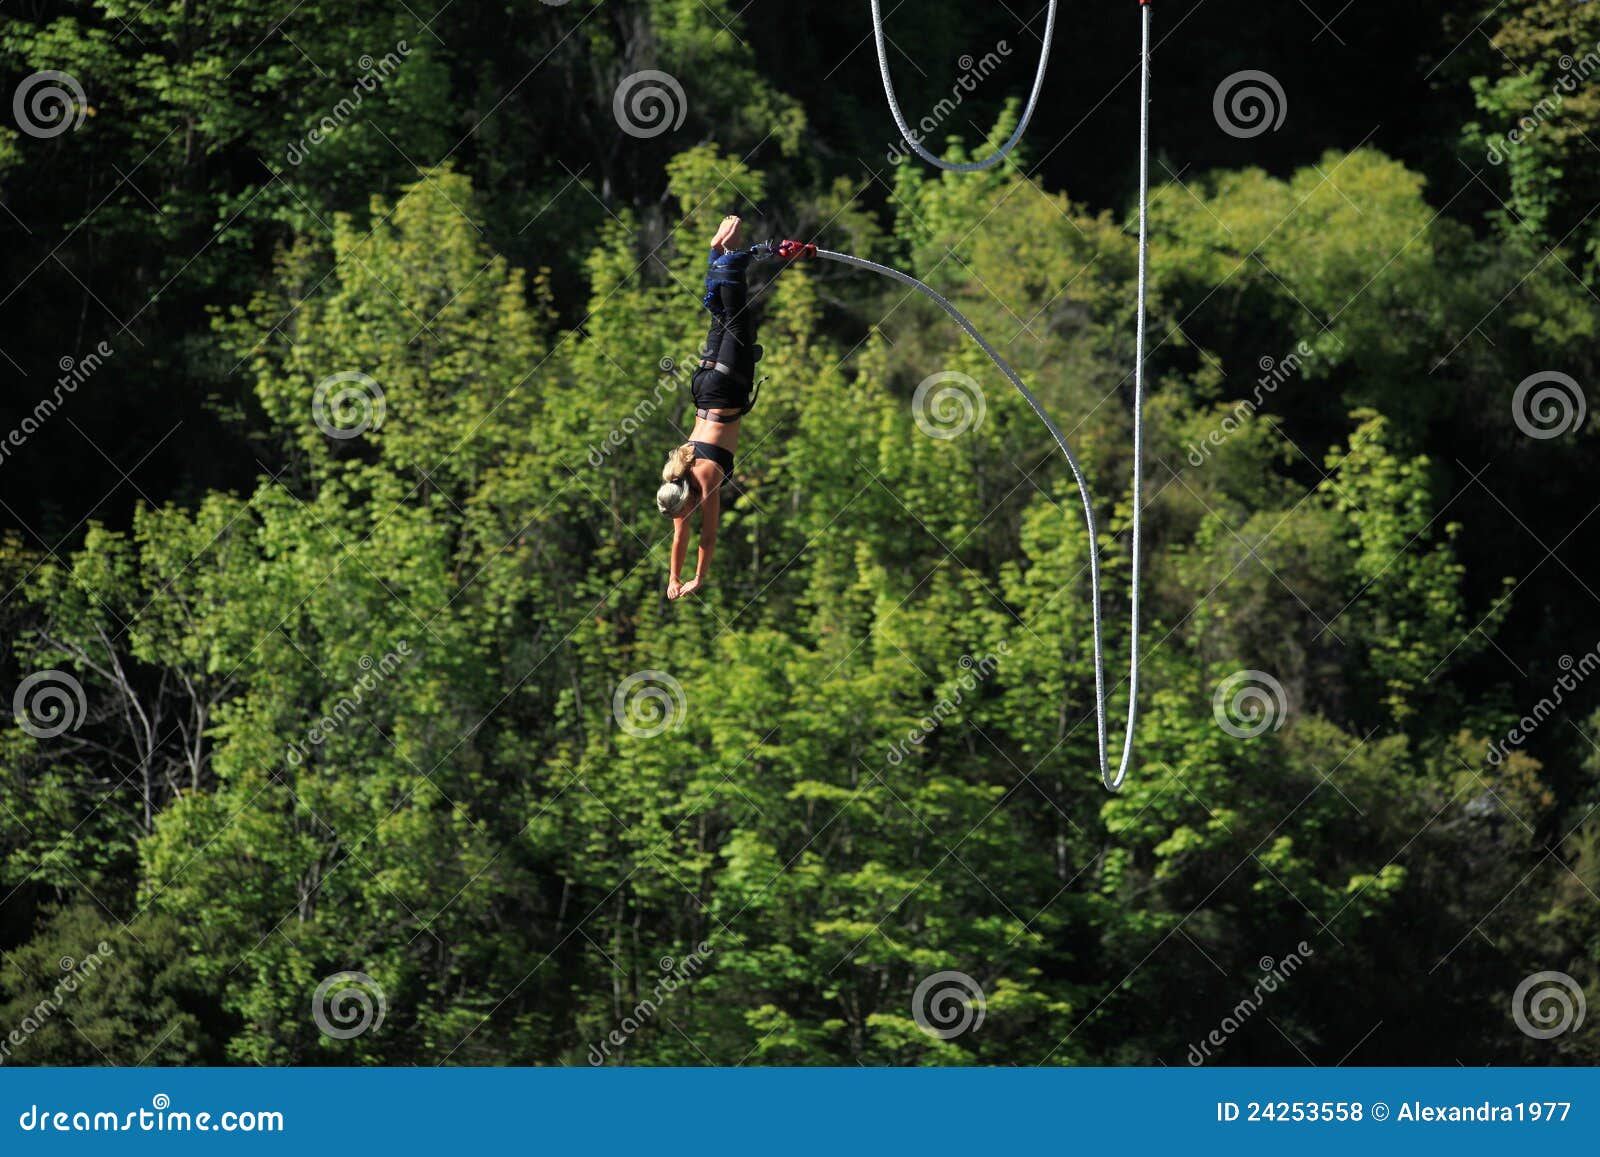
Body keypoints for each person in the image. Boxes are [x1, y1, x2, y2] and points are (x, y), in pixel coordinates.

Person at [657, 214, 814, 600]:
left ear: (686, 504)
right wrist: (672, 578)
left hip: (729, 390)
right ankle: (719, 253)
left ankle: (737, 255)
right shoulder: (676, 477)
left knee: (739, 316)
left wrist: (698, 579)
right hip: (704, 387)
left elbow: (705, 539)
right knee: (722, 316)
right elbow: (680, 540)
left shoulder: (704, 484)